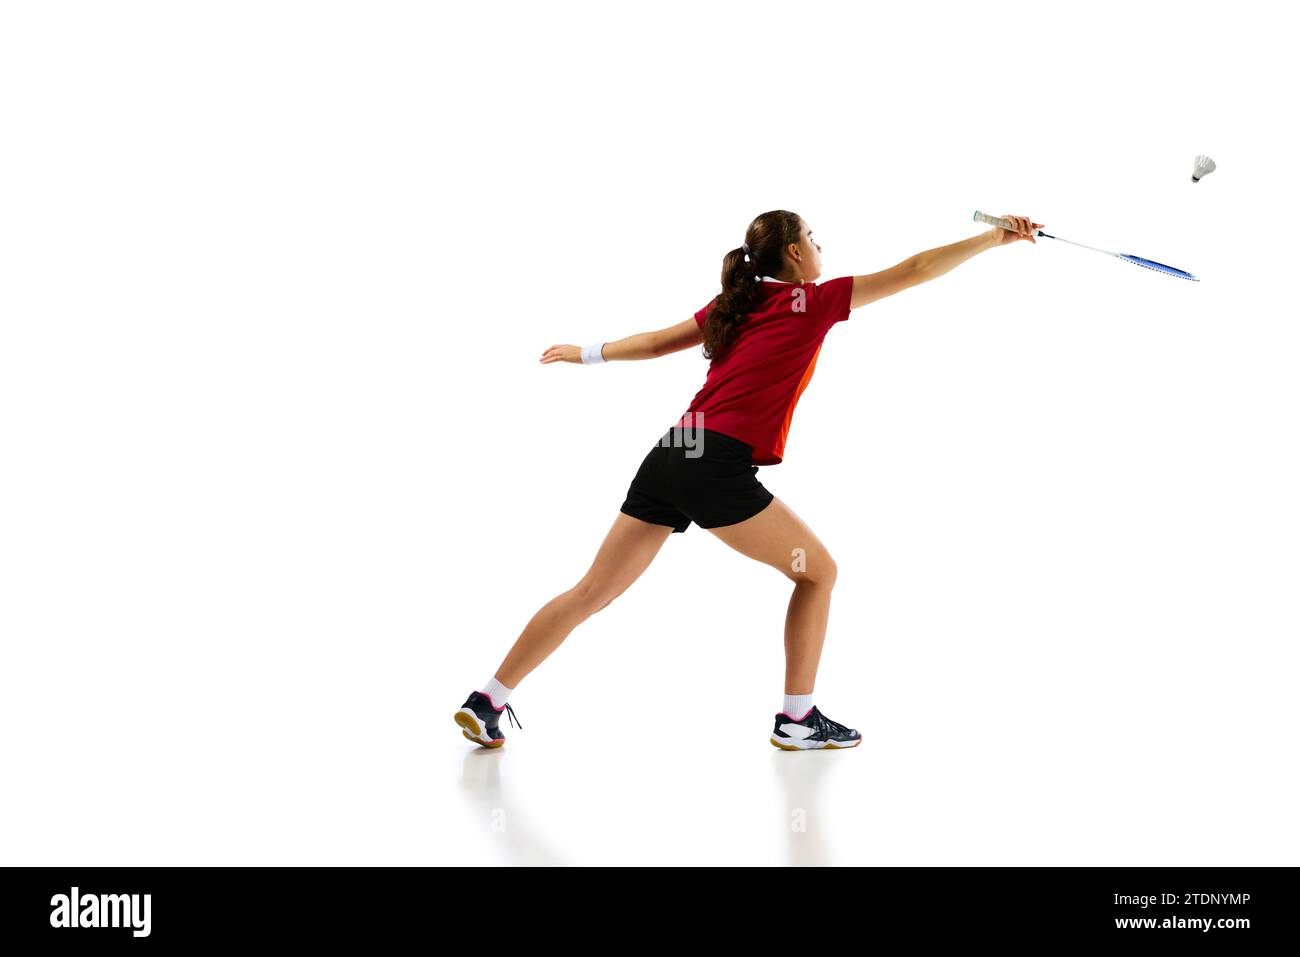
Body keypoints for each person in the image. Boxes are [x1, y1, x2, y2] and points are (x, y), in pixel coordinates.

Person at [454, 210, 1042, 750]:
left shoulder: (735, 303)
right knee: (819, 573)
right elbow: (914, 270)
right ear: (793, 252)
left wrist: (587, 352)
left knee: (590, 592)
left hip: (674, 448)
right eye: (813, 238)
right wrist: (994, 238)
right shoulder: (814, 300)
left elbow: (659, 342)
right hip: (714, 460)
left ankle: (488, 700)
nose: (819, 247)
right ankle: (797, 720)